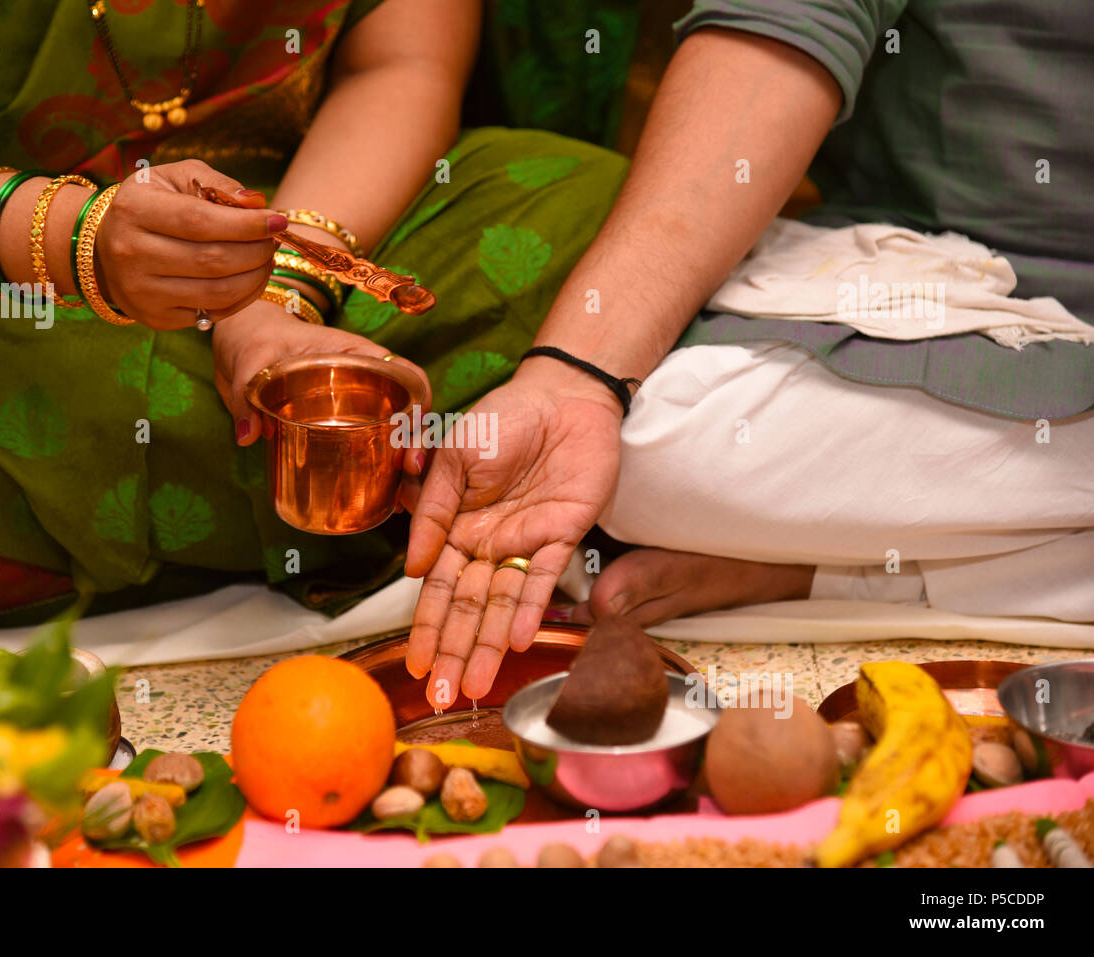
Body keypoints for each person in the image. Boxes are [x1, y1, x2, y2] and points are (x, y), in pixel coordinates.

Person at [0, 0, 628, 629]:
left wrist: (279, 299)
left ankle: (64, 522)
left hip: (299, 219)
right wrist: (75, 237)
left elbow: (401, 67)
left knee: (588, 207)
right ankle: (366, 499)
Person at [402, 1, 1094, 705]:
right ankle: (908, 553)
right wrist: (575, 376)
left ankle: (835, 573)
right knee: (644, 453)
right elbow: (783, 24)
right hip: (924, 281)